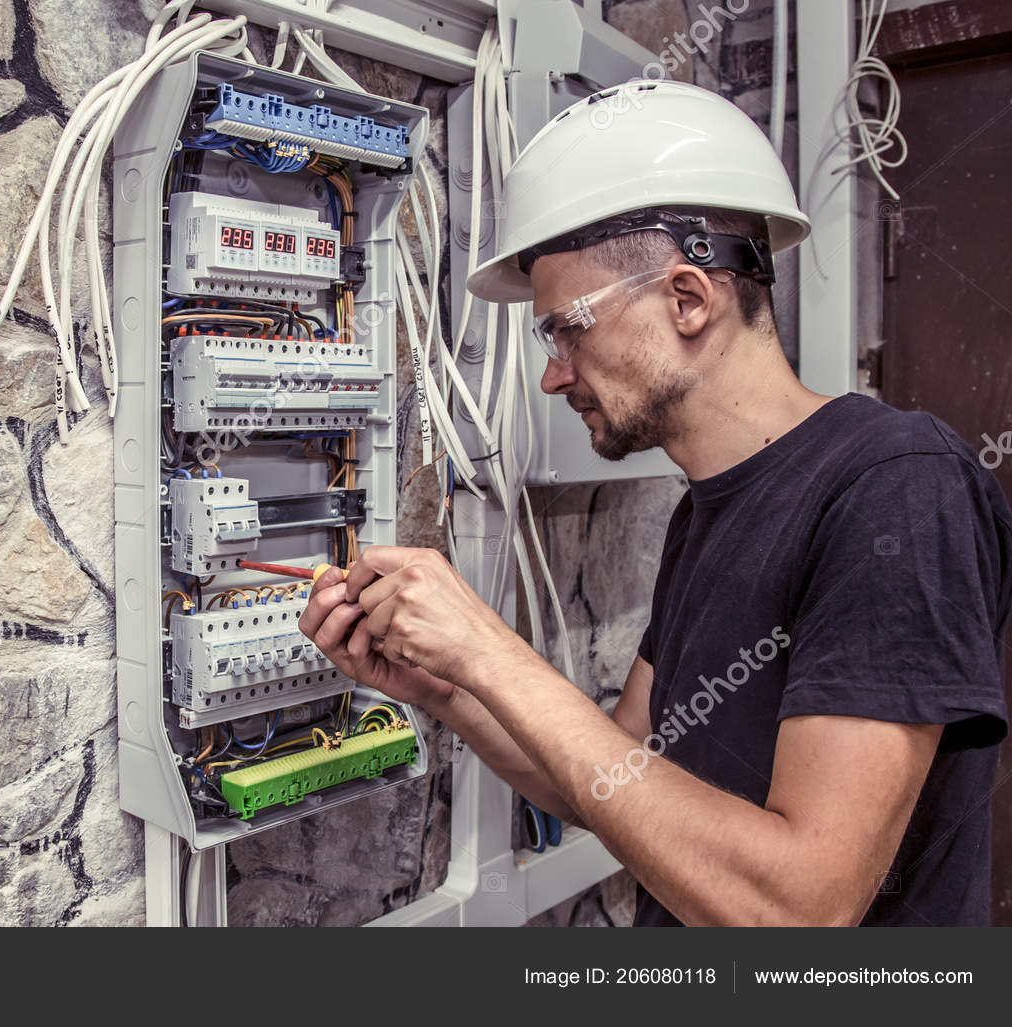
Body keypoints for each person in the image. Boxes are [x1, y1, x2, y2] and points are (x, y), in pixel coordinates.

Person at [299, 81, 1012, 925]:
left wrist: (489, 648)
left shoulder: (896, 486)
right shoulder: (707, 511)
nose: (554, 372)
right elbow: (617, 767)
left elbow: (799, 912)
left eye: (568, 328)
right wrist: (443, 685)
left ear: (688, 298)